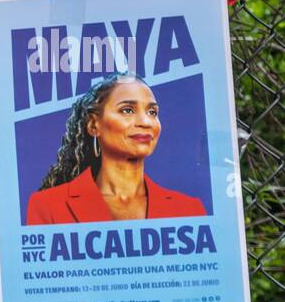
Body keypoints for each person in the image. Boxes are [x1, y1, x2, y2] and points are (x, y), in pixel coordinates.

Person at [27, 75, 206, 224]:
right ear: (93, 125)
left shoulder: (190, 210)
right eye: (127, 110)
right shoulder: (47, 207)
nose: (145, 122)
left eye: (152, 112)